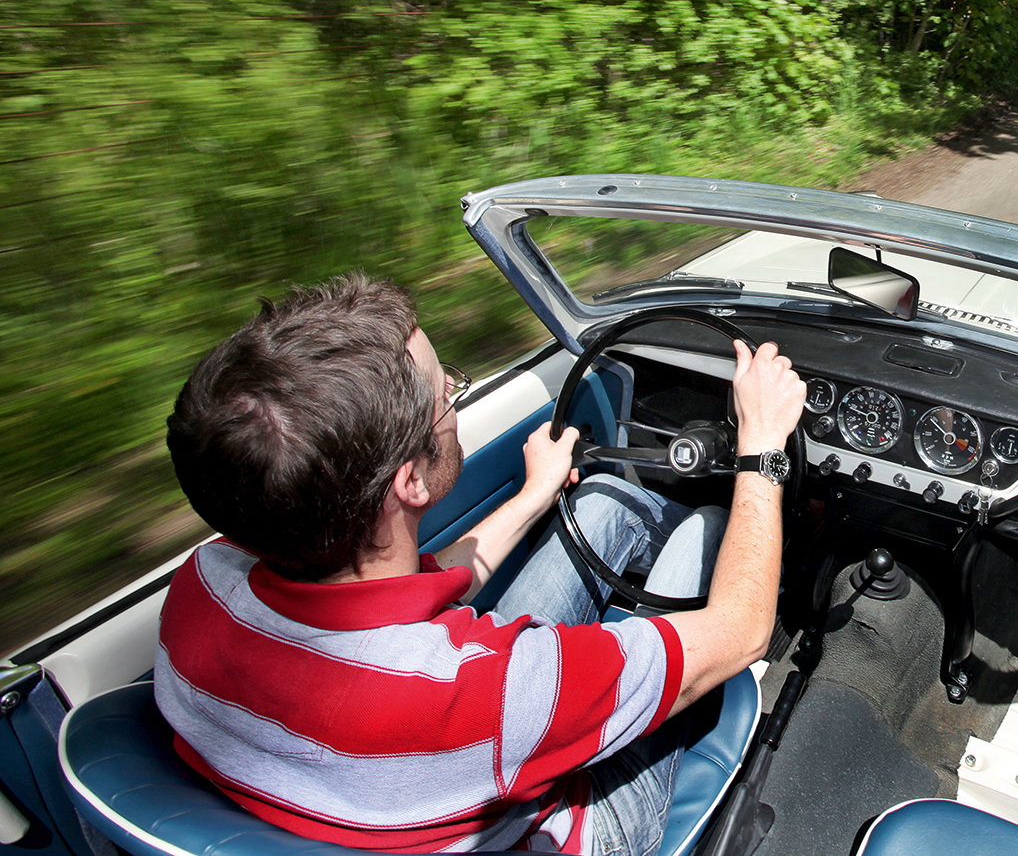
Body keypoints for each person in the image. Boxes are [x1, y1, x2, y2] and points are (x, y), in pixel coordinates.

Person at [154, 273, 804, 855]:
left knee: (602, 500)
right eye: (447, 394)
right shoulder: (487, 694)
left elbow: (407, 593)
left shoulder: (201, 587)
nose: (455, 402)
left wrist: (532, 496)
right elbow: (740, 629)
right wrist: (761, 450)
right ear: (408, 481)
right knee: (707, 534)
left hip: (415, 769)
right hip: (570, 825)